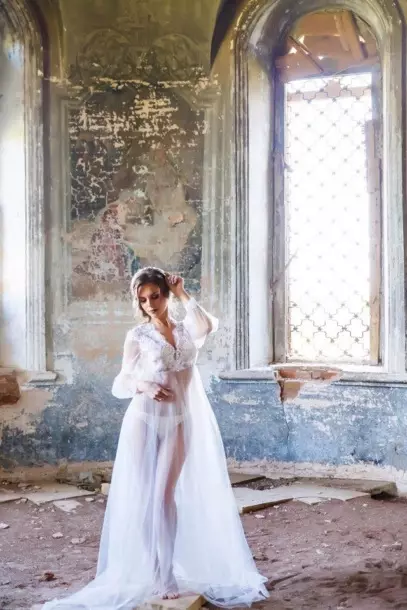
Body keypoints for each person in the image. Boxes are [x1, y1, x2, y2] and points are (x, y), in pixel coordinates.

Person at [43, 267, 268, 609]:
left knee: (165, 496)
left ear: (166, 293)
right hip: (144, 420)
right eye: (142, 298)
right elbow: (120, 382)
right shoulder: (138, 335)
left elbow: (208, 324)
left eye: (155, 295)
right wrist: (144, 385)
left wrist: (182, 292)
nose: (149, 303)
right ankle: (160, 571)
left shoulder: (187, 329)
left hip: (180, 421)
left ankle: (165, 569)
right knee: (149, 497)